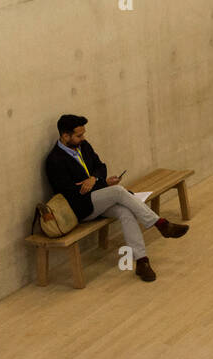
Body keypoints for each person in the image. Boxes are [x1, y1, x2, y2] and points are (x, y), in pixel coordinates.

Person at [45, 114, 188, 282]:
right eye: (79, 135)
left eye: (83, 134)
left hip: (97, 199)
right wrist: (98, 183)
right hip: (80, 208)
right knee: (118, 191)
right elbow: (70, 192)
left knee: (125, 212)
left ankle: (142, 262)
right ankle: (161, 224)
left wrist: (96, 180)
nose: (83, 138)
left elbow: (100, 167)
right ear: (65, 136)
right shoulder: (54, 160)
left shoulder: (84, 146)